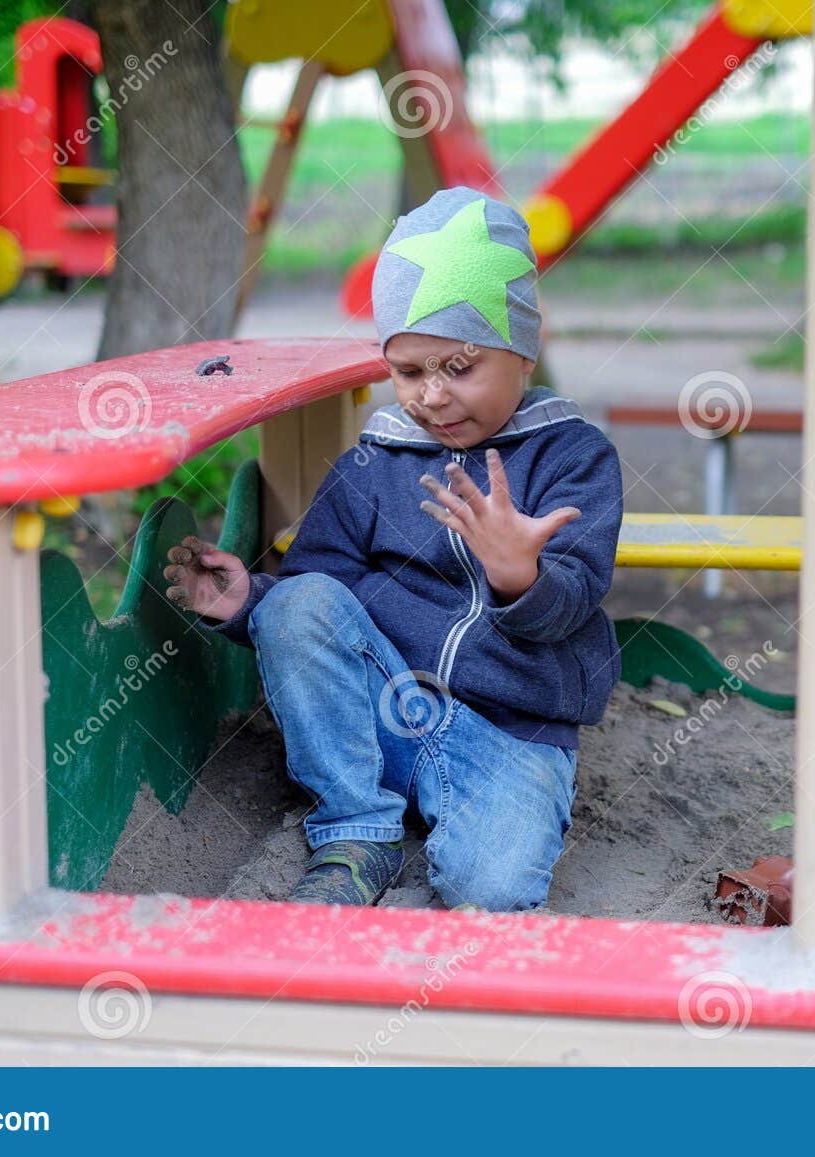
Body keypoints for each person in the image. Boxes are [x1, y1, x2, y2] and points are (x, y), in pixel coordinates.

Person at [163, 186, 623, 911]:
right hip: (386, 704)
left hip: (510, 737)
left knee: (492, 890)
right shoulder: (376, 464)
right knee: (297, 601)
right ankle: (358, 826)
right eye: (409, 372)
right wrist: (251, 600)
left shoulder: (573, 459)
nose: (432, 396)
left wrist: (521, 576)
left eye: (459, 367)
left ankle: (451, 817)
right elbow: (319, 598)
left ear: (522, 352)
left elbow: (574, 598)